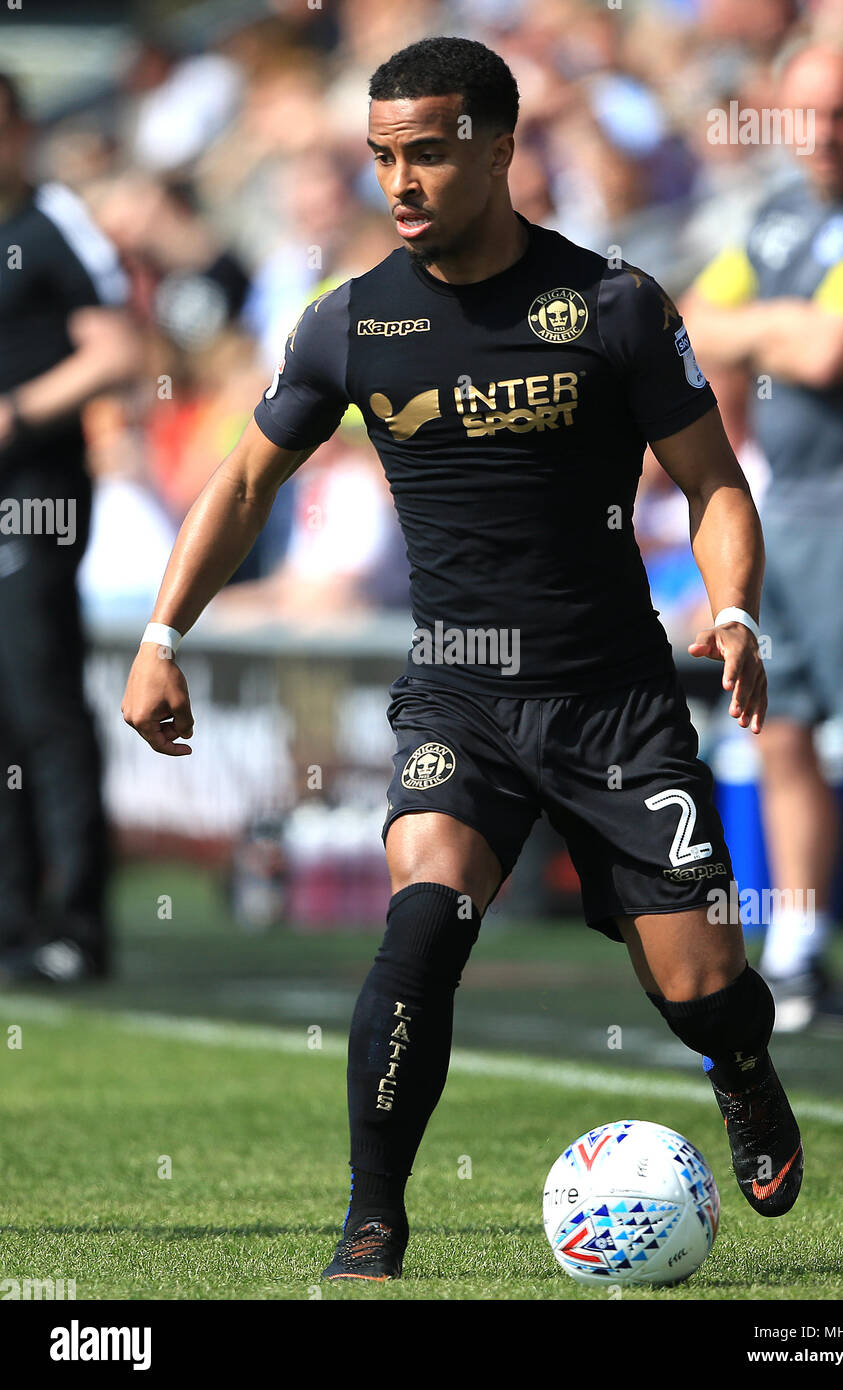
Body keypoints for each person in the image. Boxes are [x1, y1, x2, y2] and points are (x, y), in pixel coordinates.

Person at [121, 37, 801, 1283]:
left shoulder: (615, 304)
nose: (401, 181)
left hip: (613, 705)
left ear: (497, 146)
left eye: (427, 151)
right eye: (382, 156)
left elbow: (711, 481)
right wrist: (164, 636)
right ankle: (371, 1222)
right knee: (420, 928)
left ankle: (741, 1067)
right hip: (457, 698)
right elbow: (238, 480)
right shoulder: (351, 322)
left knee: (701, 988)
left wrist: (736, 611)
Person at [684, 38, 843, 1030]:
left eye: (839, 113)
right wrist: (772, 325)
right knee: (777, 730)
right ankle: (793, 946)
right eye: (804, 113)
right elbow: (693, 324)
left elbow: (830, 352)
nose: (820, 134)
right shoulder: (776, 217)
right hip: (782, 508)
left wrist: (763, 326)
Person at [0, 72, 140, 983]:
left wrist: (17, 411)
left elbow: (122, 349)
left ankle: (76, 921)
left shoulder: (52, 223)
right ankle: (12, 922)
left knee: (41, 699)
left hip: (33, 496)